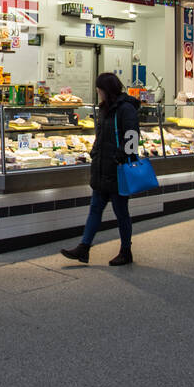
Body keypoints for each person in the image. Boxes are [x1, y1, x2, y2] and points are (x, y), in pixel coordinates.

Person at [60, 72, 139, 267]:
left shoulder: (126, 109)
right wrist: (95, 154)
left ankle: (126, 251)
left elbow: (132, 138)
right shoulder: (105, 109)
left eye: (99, 89)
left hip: (118, 170)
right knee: (95, 209)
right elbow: (101, 136)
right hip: (102, 168)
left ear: (106, 90)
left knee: (121, 212)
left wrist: (120, 157)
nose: (98, 93)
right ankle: (84, 248)